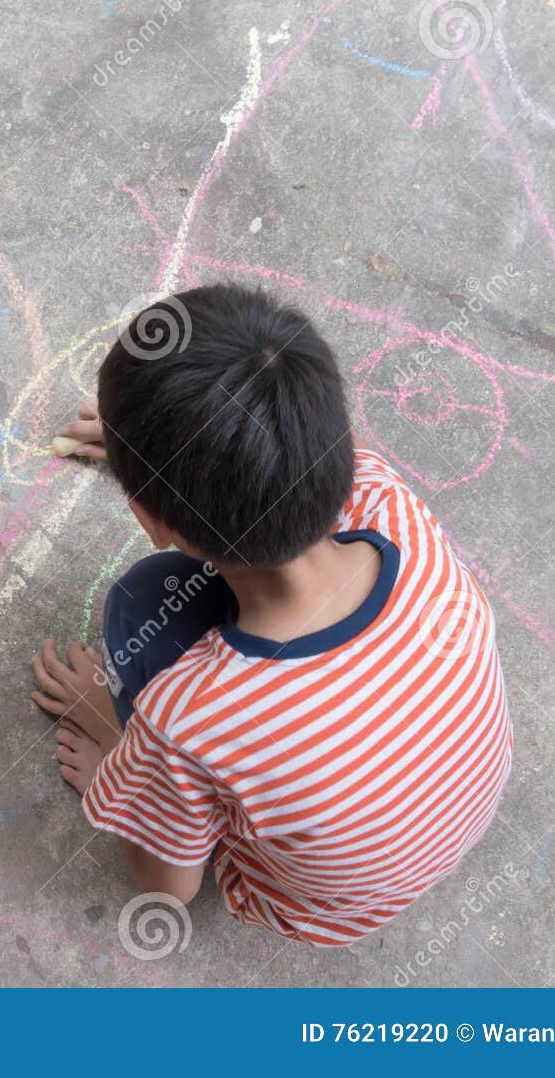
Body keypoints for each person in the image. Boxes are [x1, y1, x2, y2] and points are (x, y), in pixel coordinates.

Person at [29, 284, 512, 945]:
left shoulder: (187, 716)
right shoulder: (389, 502)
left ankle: (152, 779)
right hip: (449, 798)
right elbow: (301, 453)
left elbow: (170, 888)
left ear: (149, 517)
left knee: (142, 605)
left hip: (319, 908)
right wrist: (161, 461)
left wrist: (117, 743)